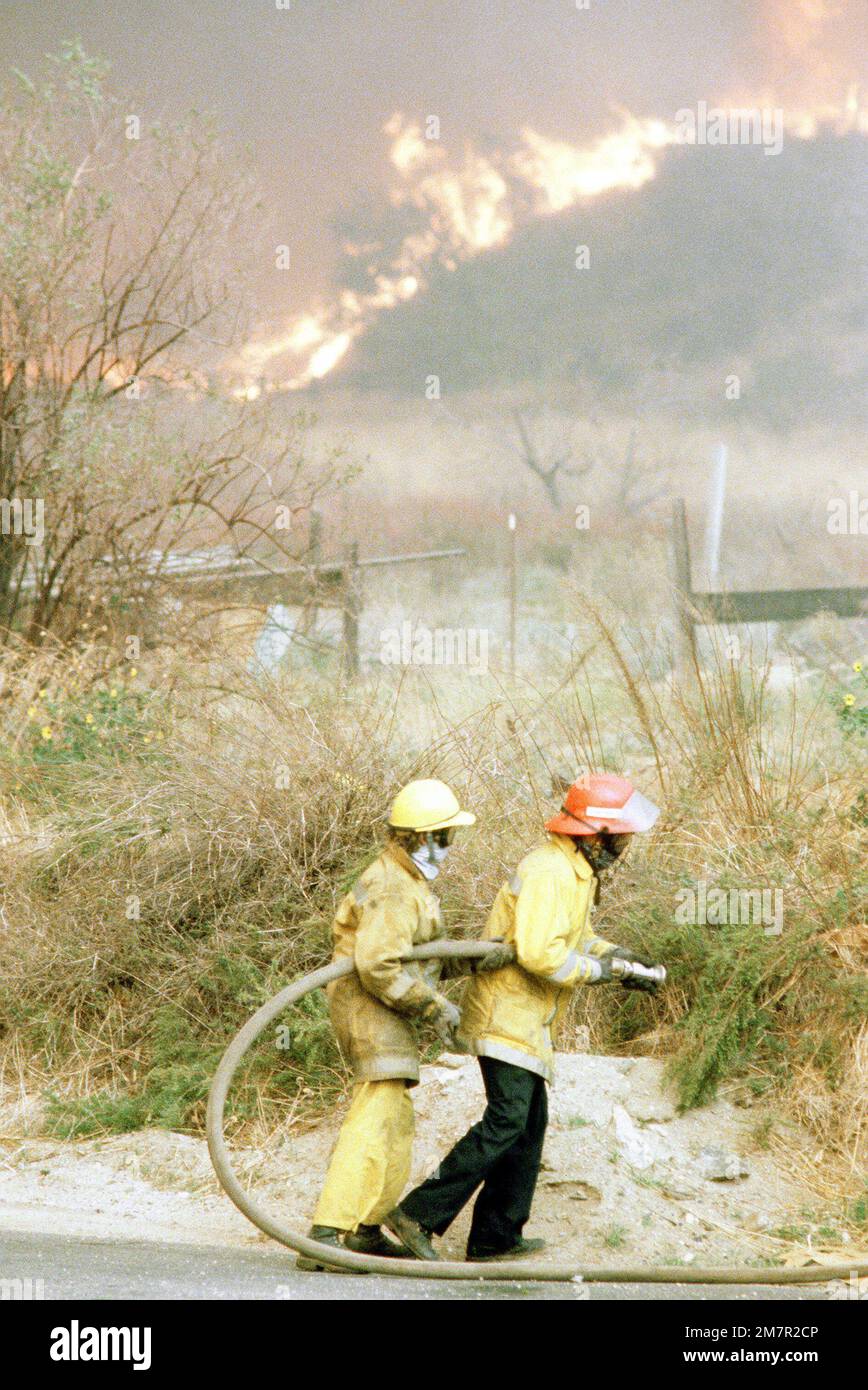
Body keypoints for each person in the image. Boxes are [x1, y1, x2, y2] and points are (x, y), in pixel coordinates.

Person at [385, 773, 664, 1263]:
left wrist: (617, 955)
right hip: (506, 1016)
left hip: (528, 1019)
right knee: (507, 1120)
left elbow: (576, 937)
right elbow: (541, 955)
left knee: (528, 1124)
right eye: (618, 837)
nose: (622, 846)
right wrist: (605, 971)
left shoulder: (573, 870)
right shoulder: (550, 873)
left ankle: (495, 1237)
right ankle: (416, 1215)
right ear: (592, 834)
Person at [299, 777, 495, 1270]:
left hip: (383, 1007)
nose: (450, 846)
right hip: (367, 1007)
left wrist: (477, 959)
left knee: (395, 1118)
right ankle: (328, 1231)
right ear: (421, 837)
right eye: (446, 835)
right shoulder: (392, 886)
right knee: (375, 1115)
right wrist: (435, 1008)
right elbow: (379, 966)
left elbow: (419, 959)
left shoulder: (409, 881)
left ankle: (367, 1228)